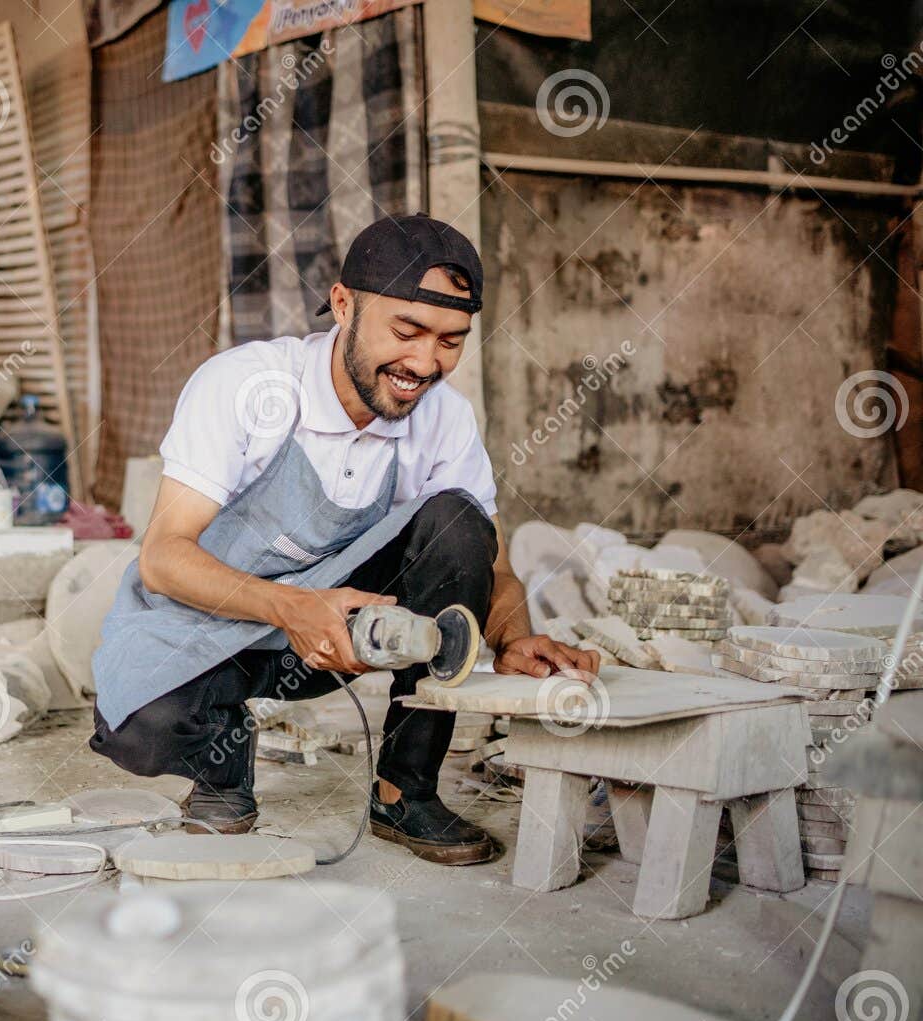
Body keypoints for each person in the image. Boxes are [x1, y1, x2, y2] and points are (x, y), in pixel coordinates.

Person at [89, 214, 599, 865]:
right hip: (211, 623)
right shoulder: (250, 386)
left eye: (450, 340)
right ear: (342, 304)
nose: (424, 362)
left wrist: (515, 638)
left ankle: (404, 789)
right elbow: (163, 557)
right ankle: (221, 765)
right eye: (407, 331)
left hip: (332, 643)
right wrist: (288, 607)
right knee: (139, 728)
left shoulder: (444, 419)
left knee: (455, 520)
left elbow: (490, 567)